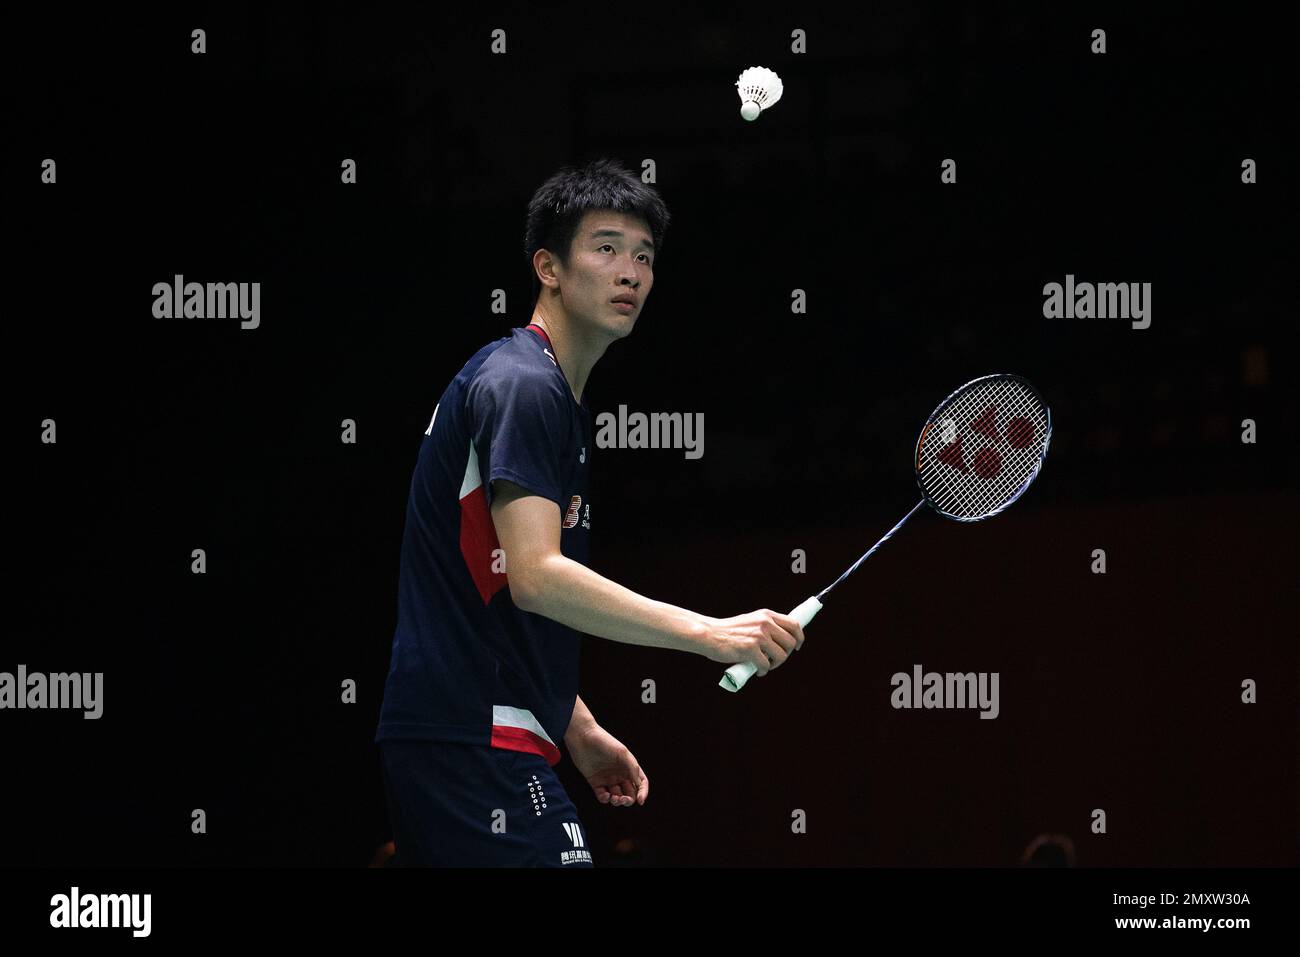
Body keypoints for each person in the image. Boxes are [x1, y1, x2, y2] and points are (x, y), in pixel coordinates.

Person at [374, 158, 805, 867]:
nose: (629, 272)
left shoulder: (544, 392)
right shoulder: (522, 385)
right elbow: (538, 578)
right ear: (548, 266)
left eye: (643, 256)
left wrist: (575, 725)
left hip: (468, 728)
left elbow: (486, 577)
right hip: (472, 735)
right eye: (605, 249)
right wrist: (711, 632)